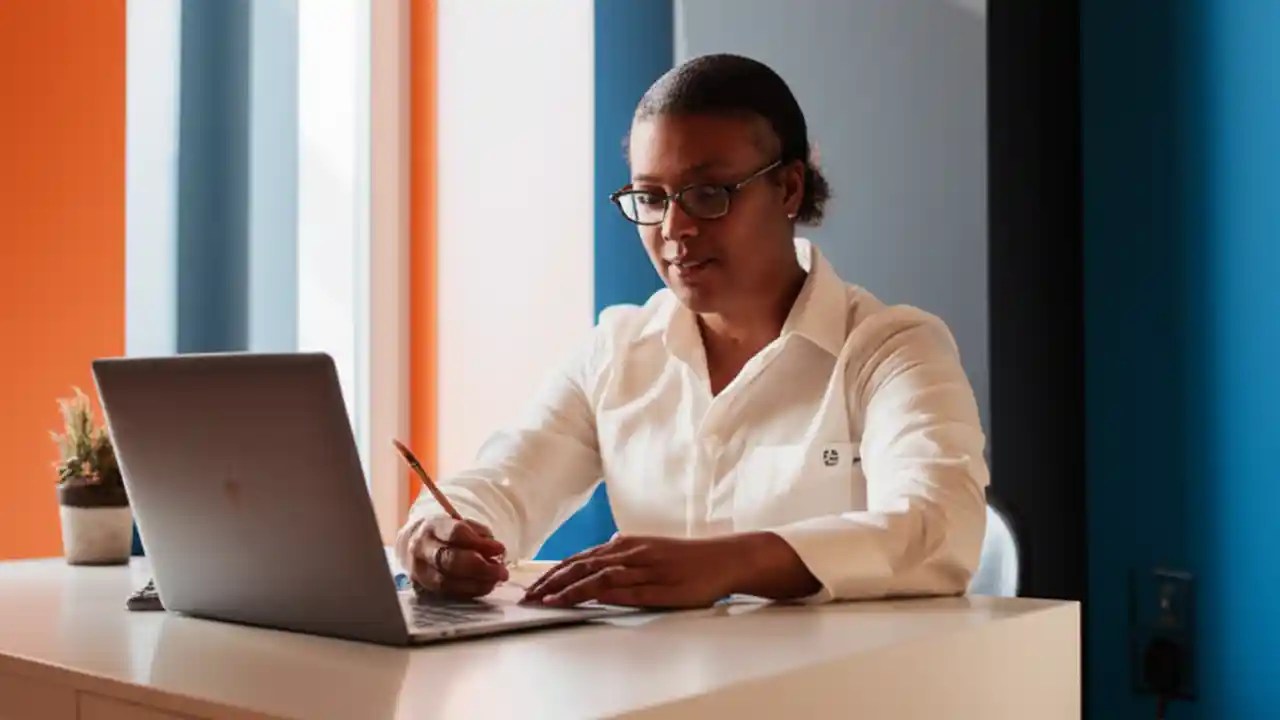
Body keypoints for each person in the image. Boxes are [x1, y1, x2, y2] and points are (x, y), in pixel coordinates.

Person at [396, 53, 989, 608]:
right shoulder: (618, 352)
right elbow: (500, 484)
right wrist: (436, 538)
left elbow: (938, 528)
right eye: (651, 198)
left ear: (788, 188)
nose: (675, 229)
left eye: (708, 194)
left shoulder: (892, 350)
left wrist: (730, 564)